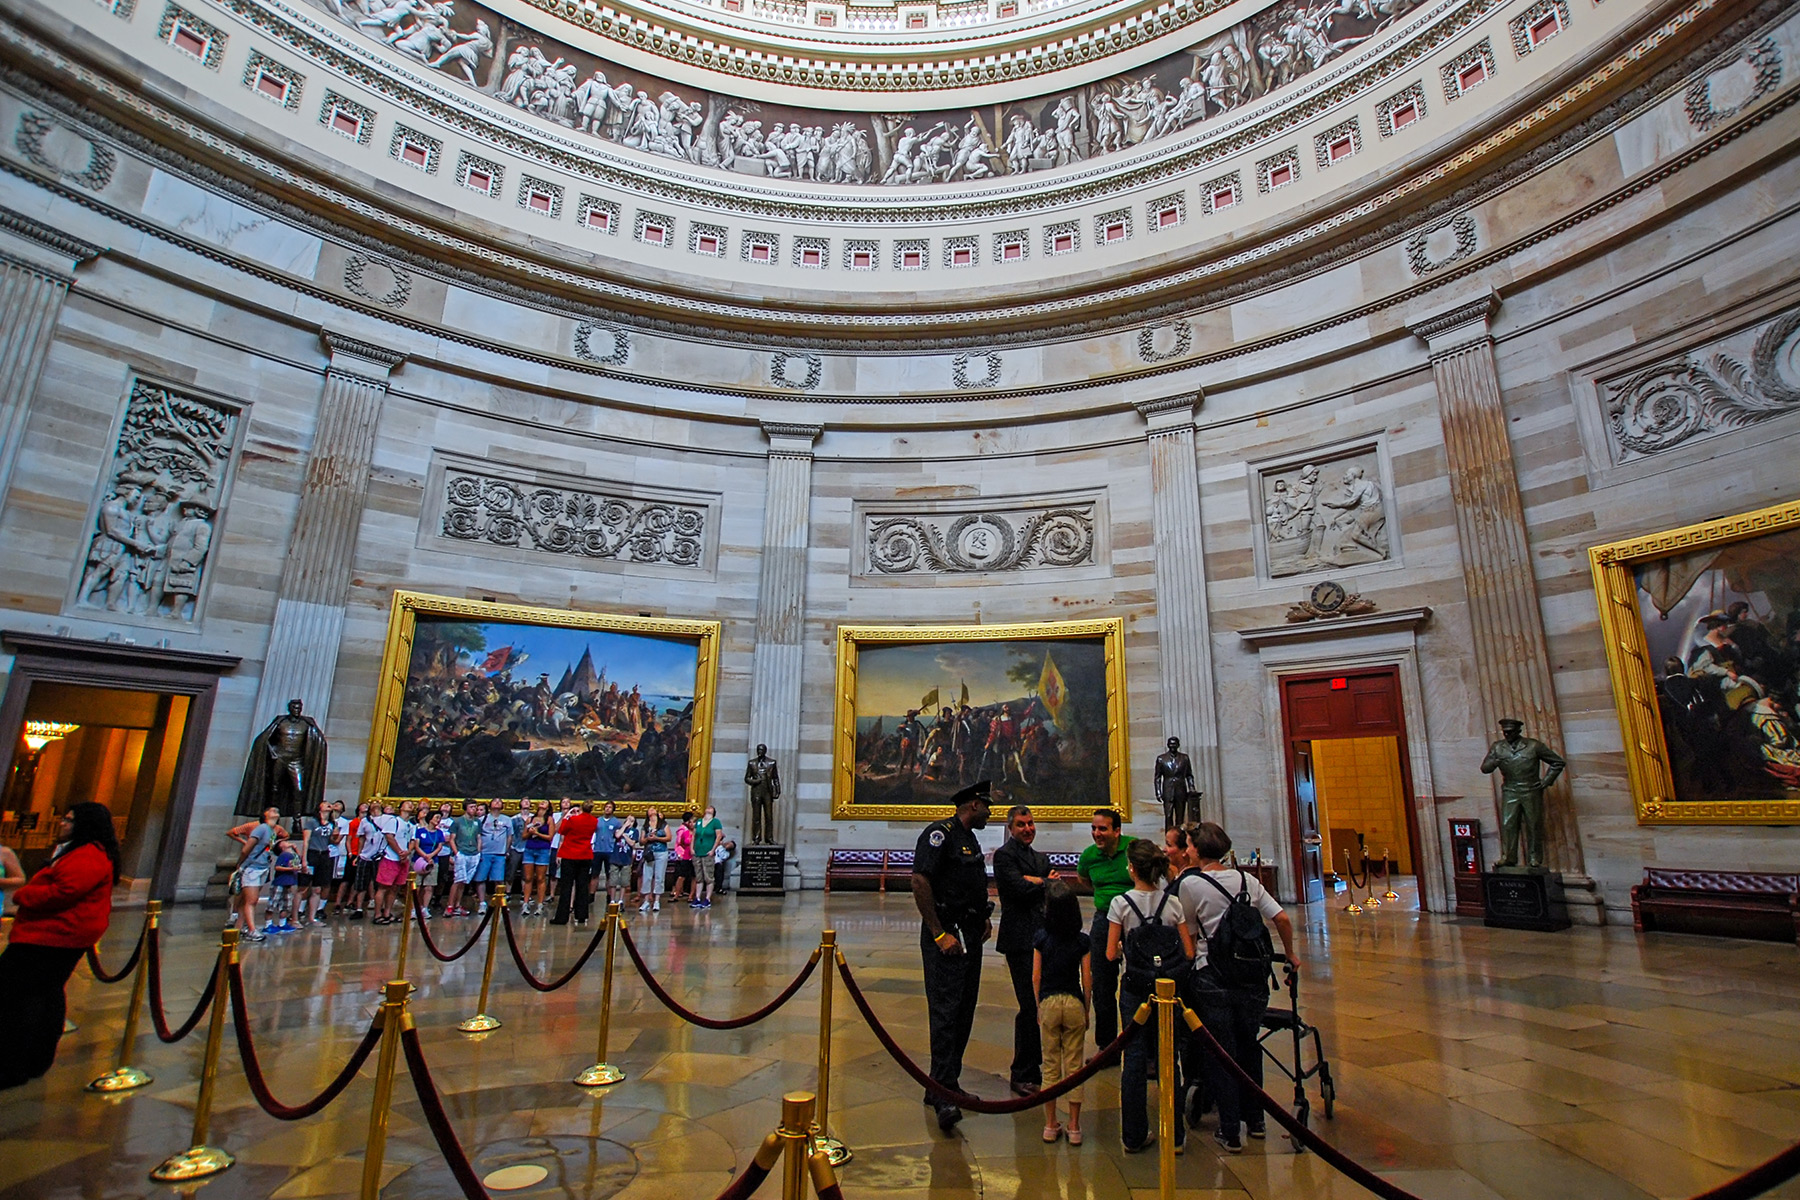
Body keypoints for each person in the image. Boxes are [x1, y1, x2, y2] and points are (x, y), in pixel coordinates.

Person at [1176, 821, 1298, 1153]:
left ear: (1198, 850)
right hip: (1251, 977)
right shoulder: (1249, 880)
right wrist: (1291, 955)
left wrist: (1188, 957)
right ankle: (1256, 1120)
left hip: (1212, 976)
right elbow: (1282, 919)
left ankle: (1229, 1130)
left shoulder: (1192, 885)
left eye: (1188, 845)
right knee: (1249, 1046)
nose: (1186, 850)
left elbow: (1187, 929)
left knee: (1221, 1052)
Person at [0, 803, 120, 1089]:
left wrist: (24, 895)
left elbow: (65, 891)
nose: (62, 823)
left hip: (52, 935)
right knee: (44, 994)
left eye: (69, 820)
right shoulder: (81, 851)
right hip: (55, 934)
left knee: (20, 996)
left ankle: (13, 1063)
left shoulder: (88, 854)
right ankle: (33, 1059)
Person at [910, 779, 994, 1132]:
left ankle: (945, 1082)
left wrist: (984, 918)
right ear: (973, 805)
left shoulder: (969, 838)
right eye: (987, 806)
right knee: (945, 1011)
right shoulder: (939, 834)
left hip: (968, 935)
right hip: (947, 936)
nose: (991, 813)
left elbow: (970, 884)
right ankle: (943, 1093)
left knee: (963, 1009)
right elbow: (919, 881)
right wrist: (938, 932)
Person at [1107, 838, 1194, 1154]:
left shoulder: (1120, 903)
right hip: (1167, 990)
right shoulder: (1172, 904)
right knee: (1169, 1058)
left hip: (1135, 990)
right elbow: (1188, 950)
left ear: (1131, 868)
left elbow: (1108, 953)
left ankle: (1133, 1135)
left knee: (1133, 1059)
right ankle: (1176, 1136)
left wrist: (1124, 950)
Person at [994, 803, 1055, 1097]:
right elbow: (1017, 889)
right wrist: (1042, 882)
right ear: (1010, 828)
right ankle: (1022, 1072)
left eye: (1030, 823)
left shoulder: (1038, 857)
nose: (1028, 828)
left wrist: (1037, 882)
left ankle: (1037, 1066)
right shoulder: (1004, 856)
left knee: (1040, 1004)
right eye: (1021, 824)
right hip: (1019, 939)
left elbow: (1051, 889)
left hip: (1041, 936)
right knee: (1028, 1006)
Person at [1034, 880, 1091, 1145]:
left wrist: (1039, 1006)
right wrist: (1087, 1008)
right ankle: (1075, 1126)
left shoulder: (1041, 938)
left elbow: (1036, 976)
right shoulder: (1082, 941)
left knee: (1050, 1065)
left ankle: (1049, 1124)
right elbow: (1087, 978)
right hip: (1073, 1002)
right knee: (1074, 1066)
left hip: (1049, 1001)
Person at [1076, 808, 1133, 1047]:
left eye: (1103, 829)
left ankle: (1139, 1047)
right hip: (1104, 920)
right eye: (1094, 828)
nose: (1097, 834)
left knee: (1138, 983)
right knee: (1102, 984)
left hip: (1134, 920)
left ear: (1117, 830)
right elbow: (1084, 880)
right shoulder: (1089, 856)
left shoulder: (1133, 849)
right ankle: (1106, 1046)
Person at [227, 807, 283, 942]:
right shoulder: (262, 828)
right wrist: (240, 863)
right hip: (252, 866)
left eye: (277, 811)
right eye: (271, 811)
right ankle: (252, 930)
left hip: (262, 866)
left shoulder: (272, 830)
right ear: (264, 815)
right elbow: (247, 848)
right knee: (252, 900)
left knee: (247, 900)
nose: (275, 811)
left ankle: (240, 927)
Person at [550, 801, 598, 926]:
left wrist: (567, 816)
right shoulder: (594, 821)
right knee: (582, 886)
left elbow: (562, 830)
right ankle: (581, 915)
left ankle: (562, 917)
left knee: (566, 887)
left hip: (570, 855)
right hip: (585, 855)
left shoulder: (573, 820)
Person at [371, 800, 418, 926]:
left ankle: (387, 912)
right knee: (383, 887)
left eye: (411, 804)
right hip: (391, 858)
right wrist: (399, 851)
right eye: (408, 804)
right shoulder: (394, 821)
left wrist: (407, 852)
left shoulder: (411, 825)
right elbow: (389, 837)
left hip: (403, 860)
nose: (411, 805)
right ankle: (377, 914)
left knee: (395, 887)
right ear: (401, 807)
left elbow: (413, 840)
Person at [298, 799, 338, 926]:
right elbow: (306, 841)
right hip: (312, 853)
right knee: (303, 886)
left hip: (324, 854)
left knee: (317, 888)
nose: (328, 805)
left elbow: (330, 841)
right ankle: (297, 913)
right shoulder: (312, 822)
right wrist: (304, 859)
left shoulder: (331, 823)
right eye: (325, 803)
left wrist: (335, 836)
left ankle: (312, 917)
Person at [446, 800, 484, 916]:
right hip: (462, 852)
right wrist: (456, 853)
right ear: (465, 808)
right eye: (472, 807)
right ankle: (450, 906)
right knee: (458, 880)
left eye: (475, 807)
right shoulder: (458, 822)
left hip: (473, 853)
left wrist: (478, 851)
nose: (474, 809)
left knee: (464, 881)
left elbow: (478, 837)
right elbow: (452, 839)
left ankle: (457, 905)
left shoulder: (477, 821)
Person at [475, 802, 512, 912]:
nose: (497, 803)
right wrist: (478, 851)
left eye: (499, 801)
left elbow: (509, 836)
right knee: (480, 878)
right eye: (494, 801)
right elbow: (478, 835)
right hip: (485, 852)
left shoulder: (507, 819)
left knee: (499, 879)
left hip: (500, 853)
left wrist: (506, 850)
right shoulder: (483, 819)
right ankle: (482, 902)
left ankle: (499, 901)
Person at [520, 800, 554, 916]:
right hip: (530, 849)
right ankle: (525, 903)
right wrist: (530, 832)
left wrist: (537, 833)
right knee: (528, 877)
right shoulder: (530, 819)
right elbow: (523, 836)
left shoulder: (549, 819)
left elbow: (550, 837)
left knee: (540, 878)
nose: (542, 803)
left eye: (545, 802)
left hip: (542, 850)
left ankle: (540, 903)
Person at [414, 811, 448, 917]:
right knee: (417, 885)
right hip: (419, 860)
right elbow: (416, 845)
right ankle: (414, 907)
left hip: (433, 861)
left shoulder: (439, 833)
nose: (438, 820)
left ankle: (425, 907)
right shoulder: (420, 831)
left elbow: (439, 846)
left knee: (429, 886)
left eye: (439, 818)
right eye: (436, 817)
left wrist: (431, 856)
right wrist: (425, 856)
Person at [639, 807, 670, 912]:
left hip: (661, 852)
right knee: (647, 876)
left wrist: (657, 838)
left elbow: (669, 837)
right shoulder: (645, 826)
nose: (651, 811)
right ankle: (646, 900)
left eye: (653, 809)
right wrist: (648, 838)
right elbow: (641, 841)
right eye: (650, 809)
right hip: (649, 853)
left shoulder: (663, 825)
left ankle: (657, 900)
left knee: (659, 876)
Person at [267, 839, 302, 933]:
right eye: (284, 842)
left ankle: (282, 923)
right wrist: (290, 869)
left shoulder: (292, 854)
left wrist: (296, 849)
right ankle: (268, 924)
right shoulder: (284, 855)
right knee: (273, 903)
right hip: (280, 882)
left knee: (287, 904)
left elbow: (298, 859)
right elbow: (277, 867)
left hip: (290, 882)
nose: (287, 842)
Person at [691, 805, 722, 909]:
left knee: (708, 876)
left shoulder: (715, 822)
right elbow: (694, 836)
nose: (708, 810)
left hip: (708, 852)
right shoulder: (699, 822)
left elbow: (718, 836)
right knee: (698, 876)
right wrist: (692, 848)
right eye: (707, 808)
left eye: (710, 809)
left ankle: (708, 898)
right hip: (697, 851)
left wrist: (713, 850)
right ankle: (697, 898)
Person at [670, 812, 696, 903]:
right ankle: (676, 894)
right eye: (691, 822)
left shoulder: (698, 832)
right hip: (686, 855)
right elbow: (680, 843)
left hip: (695, 855)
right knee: (681, 875)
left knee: (694, 876)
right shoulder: (684, 831)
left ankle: (691, 896)